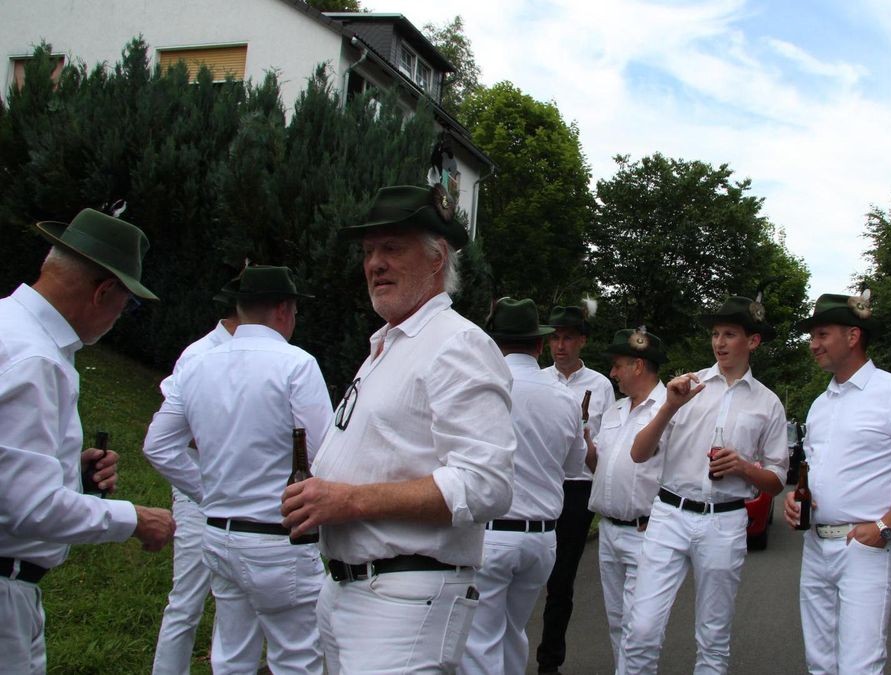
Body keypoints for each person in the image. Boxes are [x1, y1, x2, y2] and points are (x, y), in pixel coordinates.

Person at [280, 184, 517, 674]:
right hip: (352, 589)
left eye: (392, 248)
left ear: (437, 259)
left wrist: (350, 500)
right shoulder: (391, 344)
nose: (374, 264)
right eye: (369, 252)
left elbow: (487, 484)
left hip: (406, 598)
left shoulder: (457, 344)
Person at [0, 208, 175, 673]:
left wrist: (63, 471)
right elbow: (30, 507)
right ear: (103, 292)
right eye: (127, 304)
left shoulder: (7, 329)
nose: (122, 316)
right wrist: (135, 518)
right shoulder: (37, 361)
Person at [142, 264, 331, 674]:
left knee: (232, 656)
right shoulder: (296, 364)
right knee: (297, 657)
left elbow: (158, 445)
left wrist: (206, 491)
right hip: (279, 537)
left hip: (220, 535)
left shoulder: (197, 364)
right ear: (284, 309)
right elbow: (325, 454)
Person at [625, 296, 788, 674]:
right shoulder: (686, 388)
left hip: (725, 521)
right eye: (715, 334)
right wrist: (668, 407)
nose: (719, 342)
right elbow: (638, 453)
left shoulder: (768, 404)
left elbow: (778, 479)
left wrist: (745, 468)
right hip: (670, 513)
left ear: (753, 342)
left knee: (713, 638)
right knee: (643, 628)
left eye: (730, 334)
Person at [784, 291, 891, 674]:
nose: (812, 345)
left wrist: (886, 527)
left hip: (864, 548)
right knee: (819, 662)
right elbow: (813, 472)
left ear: (853, 336)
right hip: (815, 545)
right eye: (812, 336)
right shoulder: (820, 404)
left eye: (821, 335)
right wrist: (795, 500)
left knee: (859, 664)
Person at [462, 298, 586, 675]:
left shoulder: (482, 388)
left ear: (495, 344)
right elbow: (574, 466)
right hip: (542, 538)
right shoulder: (567, 398)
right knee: (513, 632)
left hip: (492, 533)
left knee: (479, 641)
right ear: (538, 344)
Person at [145, 271, 242, 675]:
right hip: (199, 488)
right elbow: (177, 429)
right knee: (187, 599)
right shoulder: (202, 354)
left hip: (242, 492)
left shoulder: (256, 352)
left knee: (235, 600)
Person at [536, 301, 615, 675]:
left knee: (561, 579)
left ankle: (549, 662)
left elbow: (607, 450)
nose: (560, 346)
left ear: (582, 341)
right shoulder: (538, 380)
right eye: (554, 338)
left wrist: (583, 435)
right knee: (525, 568)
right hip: (541, 482)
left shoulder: (600, 386)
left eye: (568, 338)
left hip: (578, 487)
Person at [586, 327, 669, 670]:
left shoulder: (670, 409)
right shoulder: (615, 411)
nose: (612, 373)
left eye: (618, 365)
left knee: (641, 628)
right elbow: (599, 466)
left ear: (638, 365)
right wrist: (585, 444)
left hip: (645, 531)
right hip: (609, 530)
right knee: (618, 622)